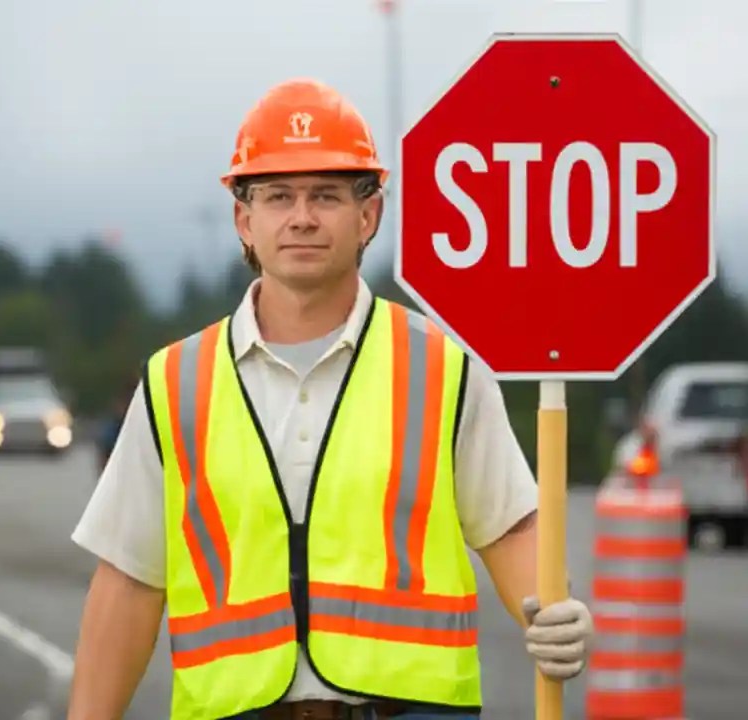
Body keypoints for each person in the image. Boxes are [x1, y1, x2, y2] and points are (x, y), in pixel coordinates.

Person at [67, 79, 593, 720]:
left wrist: (552, 607)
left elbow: (510, 526)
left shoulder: (442, 368)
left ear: (368, 215)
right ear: (244, 219)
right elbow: (128, 579)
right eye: (278, 196)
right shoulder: (176, 381)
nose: (303, 217)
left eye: (326, 195)